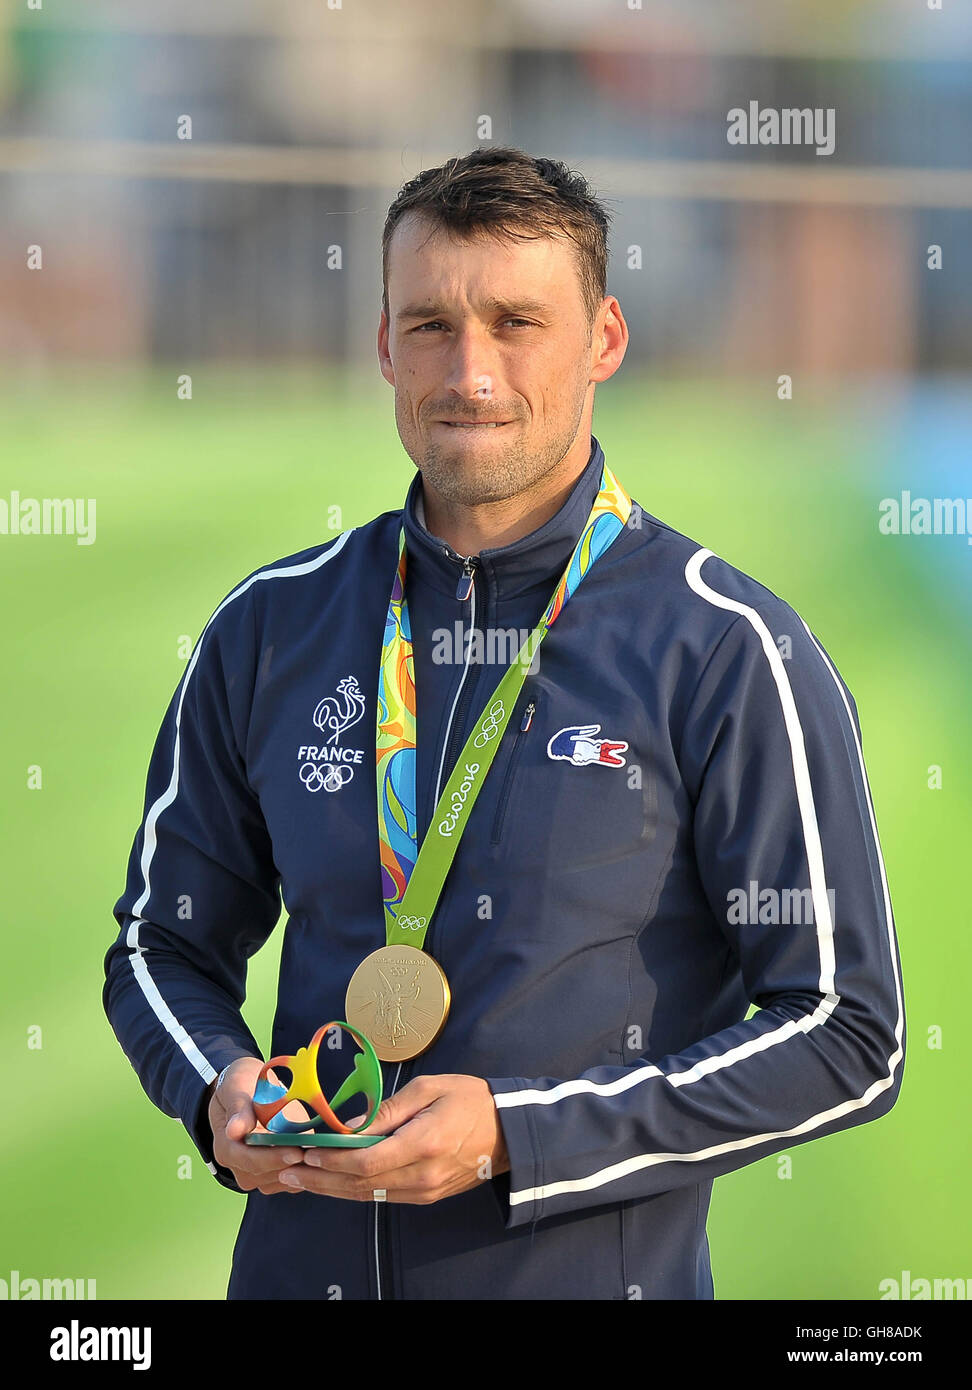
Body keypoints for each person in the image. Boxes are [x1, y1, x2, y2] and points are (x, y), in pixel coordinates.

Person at [103, 146, 905, 1300]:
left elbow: (845, 1031)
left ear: (605, 342)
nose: (468, 371)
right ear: (383, 345)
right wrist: (217, 1085)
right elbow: (157, 946)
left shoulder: (730, 648)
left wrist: (518, 1135)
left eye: (516, 322)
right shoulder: (273, 625)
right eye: (428, 324)